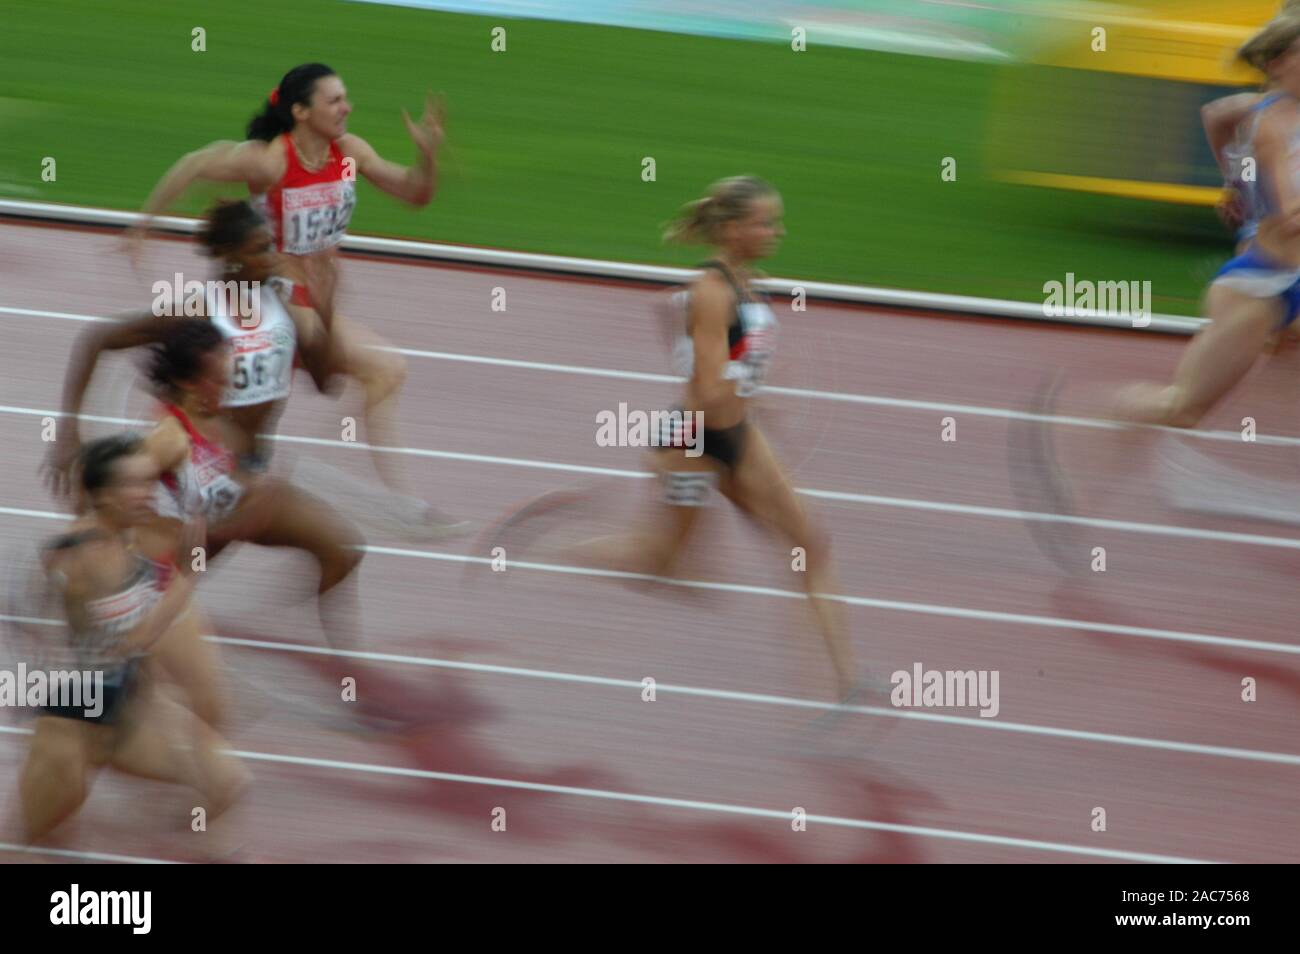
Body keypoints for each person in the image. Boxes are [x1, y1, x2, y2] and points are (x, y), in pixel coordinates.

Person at [124, 63, 462, 537]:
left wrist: (426, 155)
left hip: (314, 297)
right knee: (250, 419)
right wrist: (142, 229)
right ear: (301, 111)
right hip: (266, 298)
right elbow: (198, 162)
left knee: (385, 370)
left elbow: (415, 194)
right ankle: (152, 476)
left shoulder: (348, 154)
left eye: (346, 98)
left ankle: (389, 500)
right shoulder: (272, 161)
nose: (347, 107)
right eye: (334, 100)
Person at [15, 434, 246, 851]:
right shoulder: (86, 557)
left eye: (149, 480)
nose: (149, 493)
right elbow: (131, 642)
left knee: (227, 781)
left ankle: (202, 849)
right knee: (33, 847)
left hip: (125, 712)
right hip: (72, 729)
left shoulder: (128, 536)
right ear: (102, 496)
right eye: (134, 485)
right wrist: (189, 576)